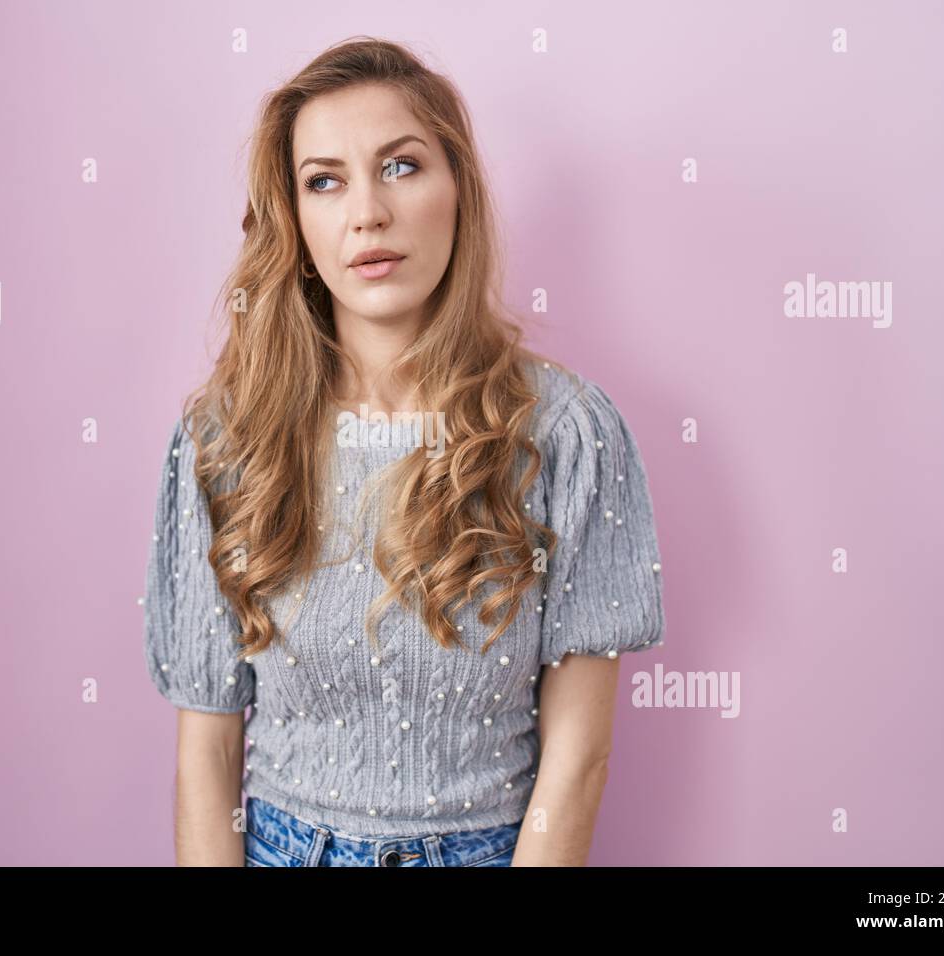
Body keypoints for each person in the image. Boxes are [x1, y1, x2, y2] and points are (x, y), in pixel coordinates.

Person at [143, 36, 666, 867]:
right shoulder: (223, 439)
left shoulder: (565, 431)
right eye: (325, 180)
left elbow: (578, 763)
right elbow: (205, 764)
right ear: (295, 220)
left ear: (458, 188)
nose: (367, 214)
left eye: (401, 166)